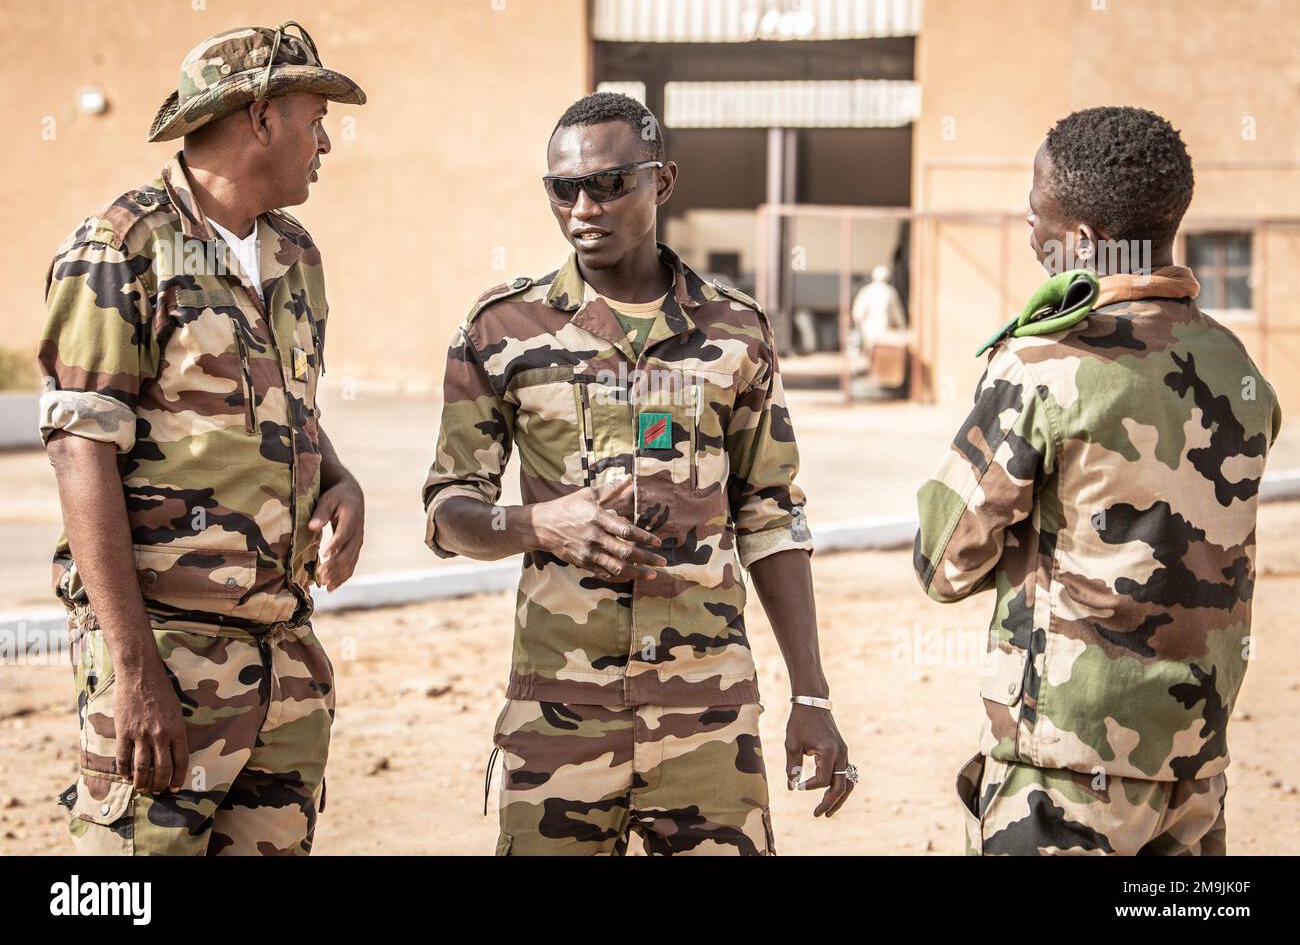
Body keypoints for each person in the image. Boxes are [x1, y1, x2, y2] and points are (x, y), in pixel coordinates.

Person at [422, 92, 854, 855]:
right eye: (564, 188)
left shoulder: (735, 331)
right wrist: (535, 524)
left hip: (708, 717)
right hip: (560, 716)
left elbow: (771, 516)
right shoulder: (500, 331)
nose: (584, 207)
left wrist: (811, 694)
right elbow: (449, 510)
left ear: (663, 181)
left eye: (610, 183)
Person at [915, 106, 1282, 856]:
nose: (1028, 230)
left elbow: (943, 560)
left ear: (1081, 241)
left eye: (1034, 213)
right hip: (1193, 771)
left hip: (1068, 772)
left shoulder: (1044, 368)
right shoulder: (1235, 365)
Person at [38, 22, 367, 855]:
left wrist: (340, 477)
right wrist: (135, 669)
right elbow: (82, 449)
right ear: (258, 118)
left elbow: (287, 402)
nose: (324, 140)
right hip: (168, 659)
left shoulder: (295, 255)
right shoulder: (123, 248)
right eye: (311, 117)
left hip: (282, 656)